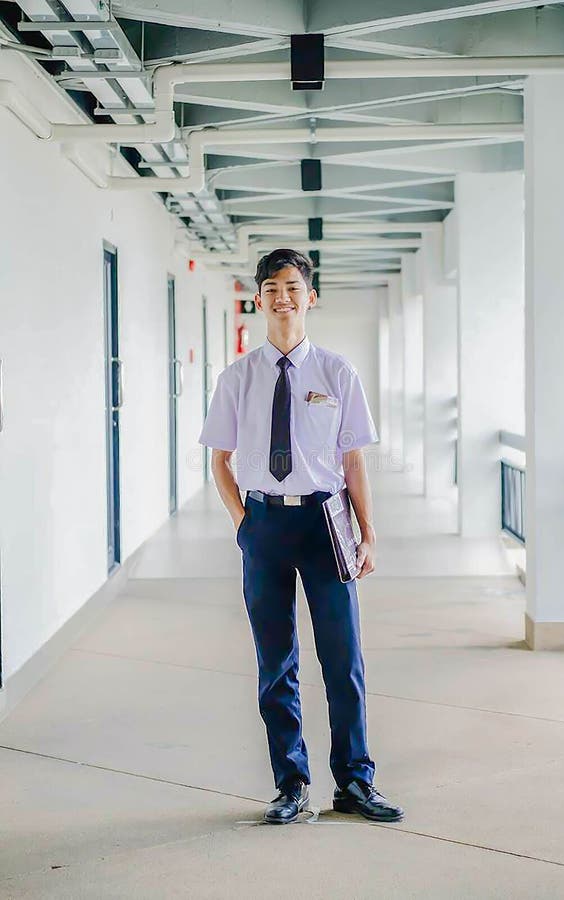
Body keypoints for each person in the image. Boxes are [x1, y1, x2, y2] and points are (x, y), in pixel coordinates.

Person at [199, 248, 404, 825]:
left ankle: (355, 783)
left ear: (310, 296)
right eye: (272, 287)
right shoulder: (237, 377)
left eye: (293, 287)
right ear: (257, 298)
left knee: (343, 660)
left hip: (324, 523)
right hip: (264, 524)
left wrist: (367, 533)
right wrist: (245, 524)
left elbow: (353, 461)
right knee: (276, 662)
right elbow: (220, 459)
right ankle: (291, 784)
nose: (283, 296)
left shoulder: (337, 373)